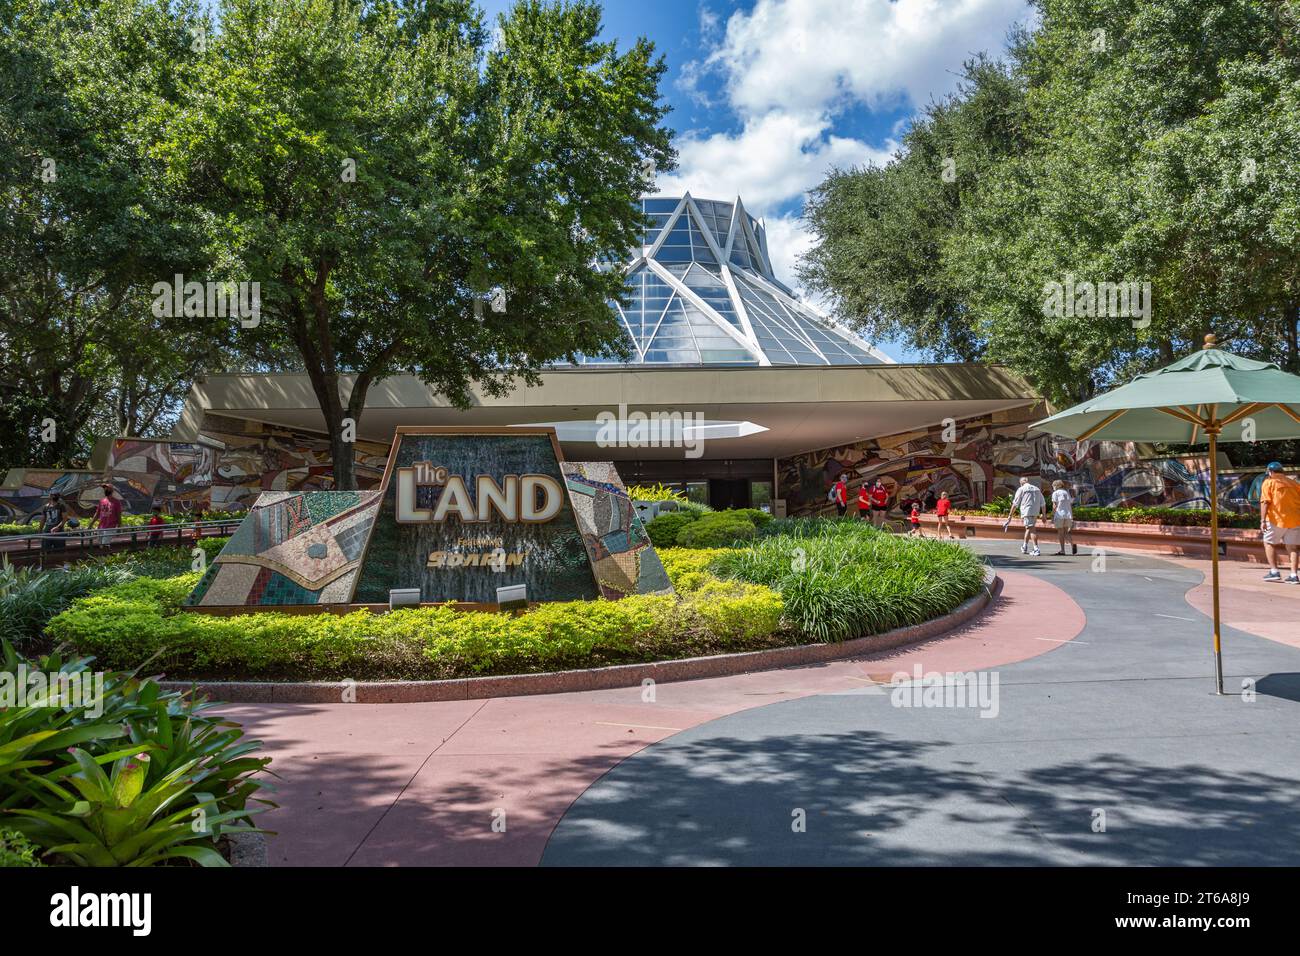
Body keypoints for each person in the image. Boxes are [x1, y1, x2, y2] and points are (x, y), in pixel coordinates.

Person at [1259, 461, 1300, 584]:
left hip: (1275, 519)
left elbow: (1265, 502)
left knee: (1269, 543)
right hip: (1295, 519)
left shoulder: (1269, 482)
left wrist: (1262, 520)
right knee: (1292, 547)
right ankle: (1294, 575)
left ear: (1270, 472)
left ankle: (1274, 572)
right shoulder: (1294, 483)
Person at [1004, 476, 1045, 556]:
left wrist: (1010, 515)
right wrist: (1044, 515)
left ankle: (1036, 549)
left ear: (1021, 483)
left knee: (1032, 529)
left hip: (1027, 511)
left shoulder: (1021, 489)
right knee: (1028, 528)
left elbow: (1015, 503)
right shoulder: (1037, 489)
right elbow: (1043, 503)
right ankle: (1024, 546)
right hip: (1035, 512)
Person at [1050, 479, 1077, 556]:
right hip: (1068, 515)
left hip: (1059, 515)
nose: (1053, 487)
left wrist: (1052, 515)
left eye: (1053, 486)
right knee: (1066, 532)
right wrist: (1071, 516)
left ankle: (1062, 550)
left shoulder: (1055, 493)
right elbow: (1070, 505)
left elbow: (1054, 505)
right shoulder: (1066, 492)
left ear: (1057, 486)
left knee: (1060, 533)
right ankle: (1072, 544)